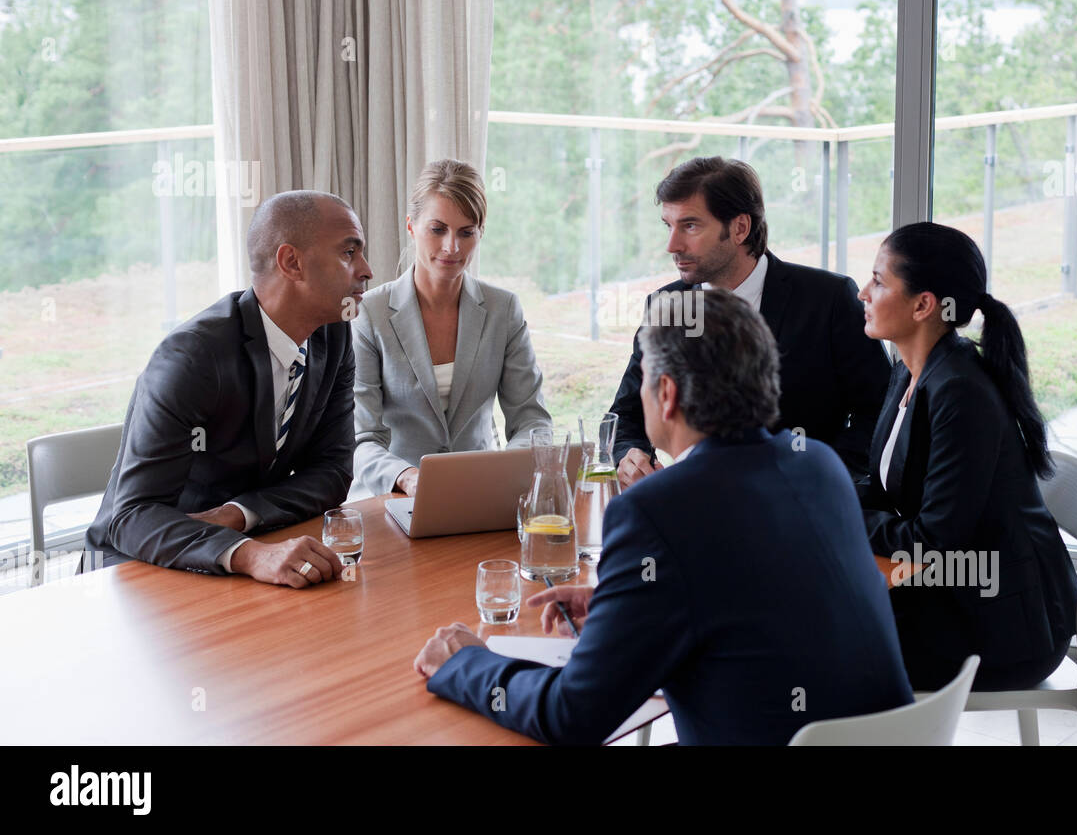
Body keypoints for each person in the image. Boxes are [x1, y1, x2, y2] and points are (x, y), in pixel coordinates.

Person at [413, 288, 913, 745]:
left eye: (646, 376)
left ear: (667, 393)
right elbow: (755, 589)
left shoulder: (657, 510)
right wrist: (633, 602)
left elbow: (574, 716)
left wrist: (465, 662)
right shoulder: (819, 464)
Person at [83, 191, 371, 586]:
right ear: (292, 262)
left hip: (248, 555)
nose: (367, 270)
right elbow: (131, 516)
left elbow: (333, 472)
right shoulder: (192, 357)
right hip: (136, 569)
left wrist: (239, 514)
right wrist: (249, 553)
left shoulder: (333, 336)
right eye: (349, 252)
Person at [857, 221, 1077, 691]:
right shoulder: (909, 370)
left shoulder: (960, 391)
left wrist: (836, 513)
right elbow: (882, 487)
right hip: (951, 590)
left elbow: (931, 539)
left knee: (814, 636)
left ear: (924, 305)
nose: (863, 292)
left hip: (1001, 625)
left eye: (879, 281)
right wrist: (816, 496)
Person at [608, 156, 891, 490]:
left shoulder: (829, 299)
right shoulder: (667, 305)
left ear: (740, 228)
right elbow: (626, 414)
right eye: (668, 226)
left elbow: (879, 412)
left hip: (802, 506)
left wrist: (822, 478)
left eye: (690, 226)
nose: (672, 245)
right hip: (695, 502)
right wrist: (631, 455)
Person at [349, 159, 551, 499]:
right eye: (438, 229)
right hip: (391, 497)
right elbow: (362, 438)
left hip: (479, 495)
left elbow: (532, 420)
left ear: (480, 233)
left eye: (466, 232)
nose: (452, 247)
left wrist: (509, 472)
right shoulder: (370, 312)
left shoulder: (504, 309)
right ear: (412, 226)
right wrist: (409, 477)